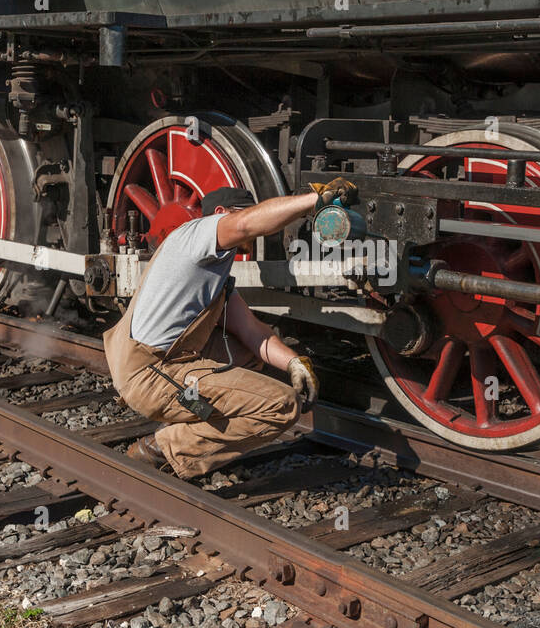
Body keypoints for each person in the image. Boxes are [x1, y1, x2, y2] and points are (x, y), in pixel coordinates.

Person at [104, 178, 356, 480]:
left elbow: (253, 333)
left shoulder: (214, 275)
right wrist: (313, 200)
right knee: (282, 405)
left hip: (161, 365)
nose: (257, 223)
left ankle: (196, 428)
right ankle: (163, 448)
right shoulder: (196, 235)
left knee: (250, 359)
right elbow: (246, 225)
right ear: (221, 213)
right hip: (150, 372)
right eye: (242, 212)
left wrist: (295, 363)